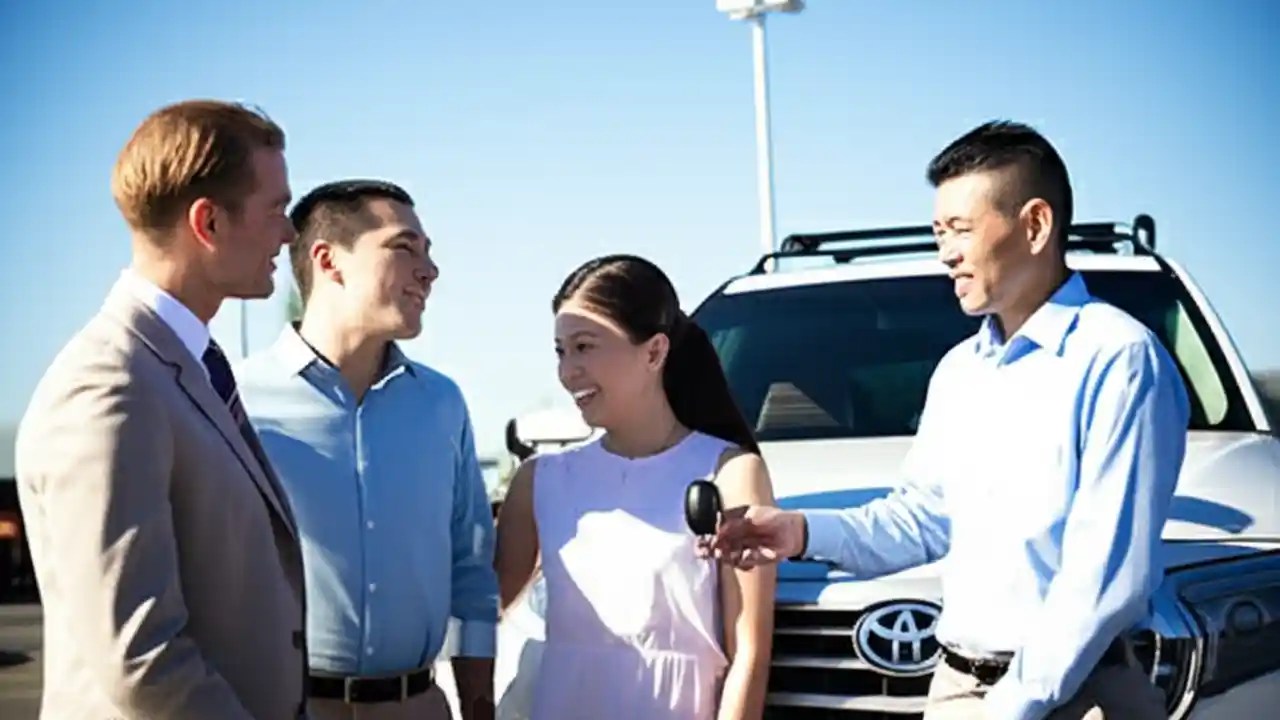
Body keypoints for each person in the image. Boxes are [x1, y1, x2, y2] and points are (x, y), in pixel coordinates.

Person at [704, 121, 1190, 720]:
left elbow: (1106, 578)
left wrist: (1010, 706)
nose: (946, 251)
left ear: (1035, 225)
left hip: (1076, 695)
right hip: (958, 686)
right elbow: (922, 521)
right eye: (939, 231)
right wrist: (799, 532)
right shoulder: (961, 371)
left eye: (960, 229)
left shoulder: (1118, 358)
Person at [13, 100, 307, 719]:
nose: (289, 234)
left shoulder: (182, 366)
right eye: (277, 209)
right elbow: (141, 657)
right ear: (209, 223)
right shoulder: (108, 386)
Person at [236, 179, 499, 720]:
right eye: (405, 249)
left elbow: (470, 570)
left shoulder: (442, 404)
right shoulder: (234, 401)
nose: (429, 271)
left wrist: (478, 702)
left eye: (428, 253)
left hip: (420, 707)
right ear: (329, 261)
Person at [494, 255, 778, 720]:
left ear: (654, 352)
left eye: (585, 347)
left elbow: (749, 649)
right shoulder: (539, 480)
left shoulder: (729, 472)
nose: (568, 373)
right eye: (561, 352)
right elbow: (482, 609)